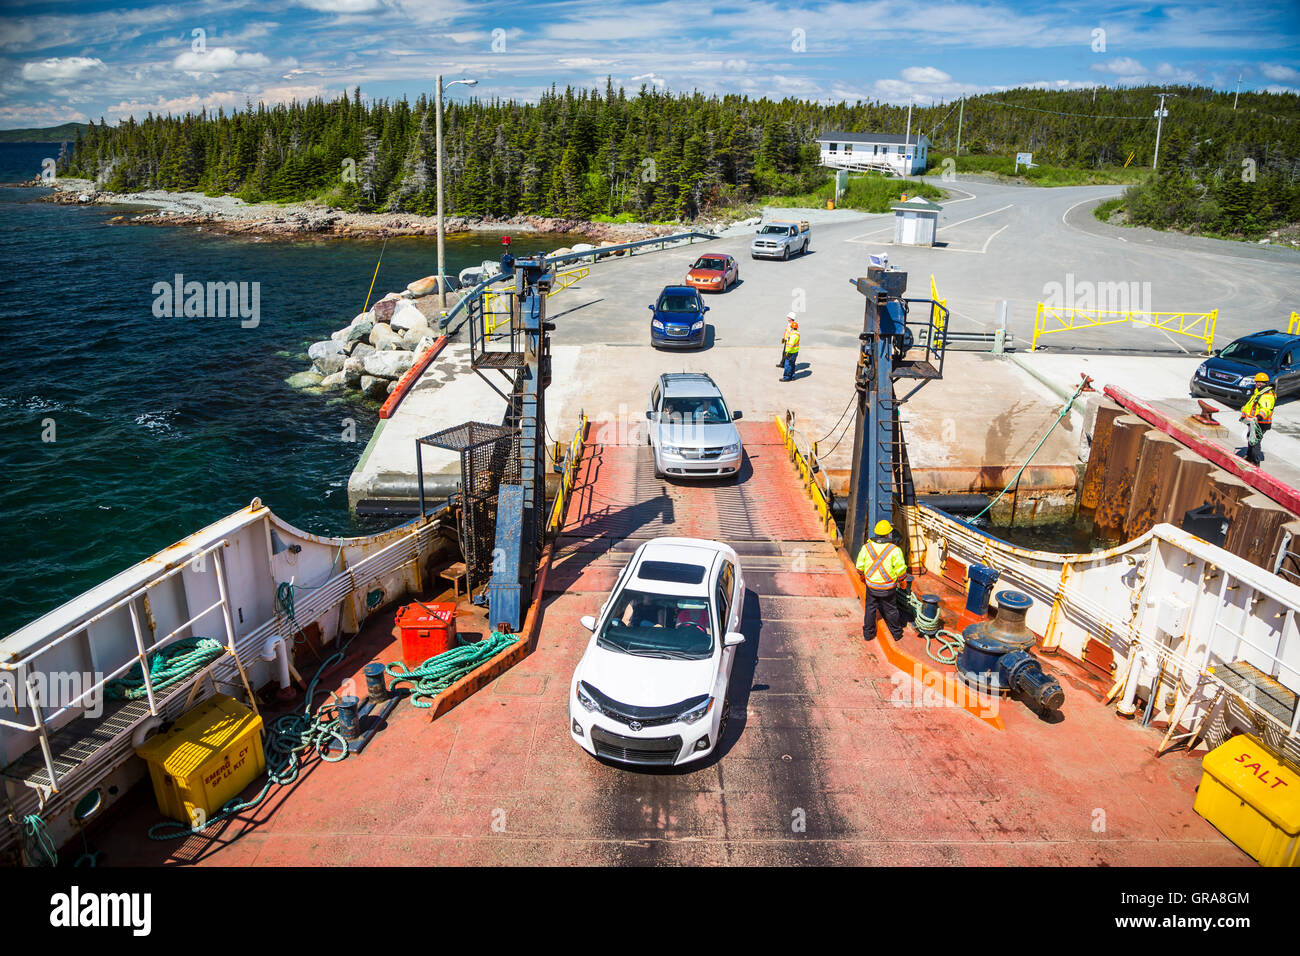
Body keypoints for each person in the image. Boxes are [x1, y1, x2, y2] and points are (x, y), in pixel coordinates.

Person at [856, 519, 908, 642]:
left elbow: (859, 567)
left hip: (872, 587)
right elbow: (901, 571)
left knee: (870, 609)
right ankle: (896, 633)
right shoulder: (895, 550)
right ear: (889, 534)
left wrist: (863, 577)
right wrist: (902, 582)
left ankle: (868, 635)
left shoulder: (866, 547)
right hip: (888, 588)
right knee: (891, 609)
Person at [1238, 372, 1275, 466]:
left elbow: (1265, 409)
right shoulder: (1258, 392)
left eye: (1261, 382)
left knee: (1255, 442)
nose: (1258, 384)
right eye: (1257, 382)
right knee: (1251, 439)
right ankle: (1249, 456)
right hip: (1253, 422)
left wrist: (1257, 418)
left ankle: (1255, 462)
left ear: (1265, 383)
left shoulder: (1267, 395)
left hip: (1261, 422)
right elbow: (1252, 405)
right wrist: (1244, 410)